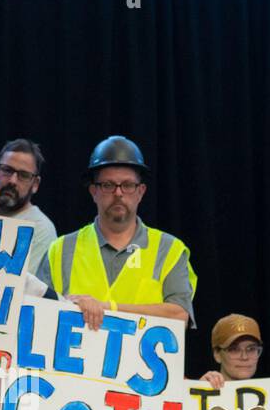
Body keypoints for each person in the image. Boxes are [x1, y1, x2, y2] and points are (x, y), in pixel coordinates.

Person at [34, 135, 196, 329]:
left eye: (127, 185)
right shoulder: (60, 250)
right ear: (93, 191)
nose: (118, 193)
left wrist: (108, 308)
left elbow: (180, 315)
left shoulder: (170, 250)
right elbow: (37, 316)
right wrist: (69, 306)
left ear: (141, 191)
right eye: (108, 185)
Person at [0, 139, 57, 274]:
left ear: (35, 184)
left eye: (23, 175)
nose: (12, 181)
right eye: (7, 170)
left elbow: (26, 289)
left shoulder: (41, 229)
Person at [200, 314, 263, 388]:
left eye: (251, 349)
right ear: (217, 354)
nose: (244, 357)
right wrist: (198, 388)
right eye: (234, 349)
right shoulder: (195, 392)